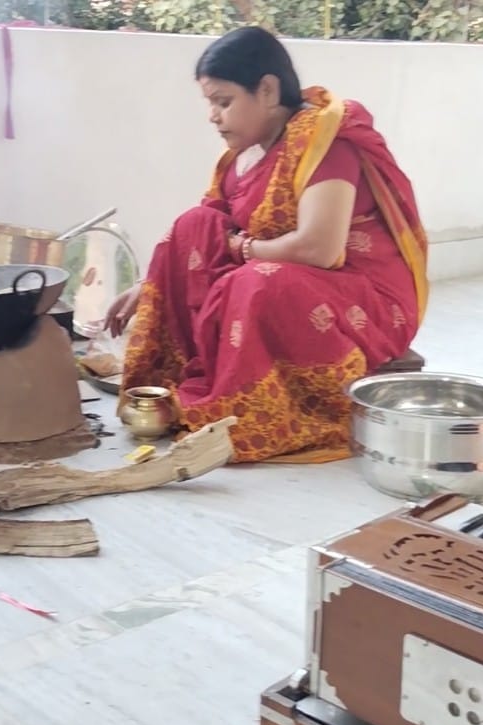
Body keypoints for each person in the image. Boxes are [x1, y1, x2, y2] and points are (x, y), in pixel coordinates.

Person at [104, 26, 428, 464]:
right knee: (194, 225)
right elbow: (204, 235)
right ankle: (181, 382)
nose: (213, 117)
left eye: (224, 102)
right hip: (289, 278)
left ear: (268, 90)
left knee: (258, 282)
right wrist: (149, 286)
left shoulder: (324, 142)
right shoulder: (244, 157)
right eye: (210, 104)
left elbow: (320, 249)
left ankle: (249, 409)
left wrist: (243, 251)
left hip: (361, 295)